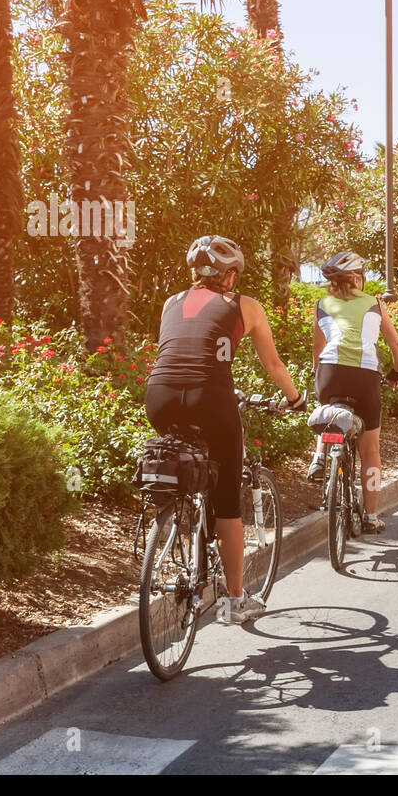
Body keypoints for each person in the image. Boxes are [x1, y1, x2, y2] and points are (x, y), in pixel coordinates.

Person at [145, 235, 306, 624]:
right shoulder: (245, 306)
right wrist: (296, 400)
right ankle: (235, 600)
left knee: (183, 462)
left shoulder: (172, 303)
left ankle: (170, 523)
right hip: (212, 401)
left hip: (159, 397)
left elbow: (179, 350)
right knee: (228, 505)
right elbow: (273, 364)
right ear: (230, 276)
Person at [306, 251, 398, 534]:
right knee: (371, 450)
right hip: (364, 376)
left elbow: (317, 348)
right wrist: (397, 372)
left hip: (329, 373)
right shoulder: (374, 303)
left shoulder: (321, 303)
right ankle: (371, 516)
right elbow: (395, 346)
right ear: (355, 279)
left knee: (328, 412)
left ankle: (321, 454)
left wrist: (317, 371)